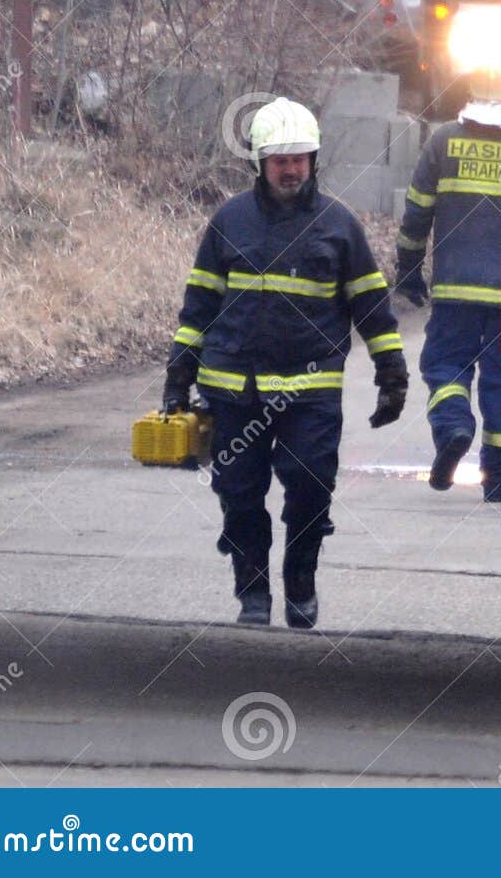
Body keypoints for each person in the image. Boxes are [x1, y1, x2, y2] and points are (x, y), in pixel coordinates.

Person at [163, 97, 408, 628]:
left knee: (311, 485)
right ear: (259, 163)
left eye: (300, 158)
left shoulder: (340, 227)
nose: (292, 168)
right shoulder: (229, 221)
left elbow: (373, 309)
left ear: (314, 160)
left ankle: (300, 579)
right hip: (235, 392)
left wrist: (393, 376)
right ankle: (253, 594)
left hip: (310, 393)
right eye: (280, 160)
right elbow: (198, 308)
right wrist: (177, 380)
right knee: (240, 495)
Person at [395, 96, 501, 502]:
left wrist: (408, 268)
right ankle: (497, 476)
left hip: (454, 290)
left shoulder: (443, 140)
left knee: (445, 364)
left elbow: (417, 211)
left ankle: (453, 427)